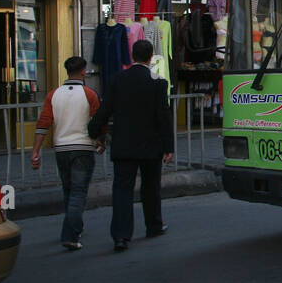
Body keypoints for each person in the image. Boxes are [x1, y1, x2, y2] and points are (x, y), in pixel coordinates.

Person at [88, 39, 174, 252]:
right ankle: (153, 225)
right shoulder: (158, 82)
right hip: (151, 146)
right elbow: (164, 117)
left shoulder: (118, 79)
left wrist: (95, 131)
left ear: (133, 56)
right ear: (150, 57)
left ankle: (121, 236)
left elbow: (105, 108)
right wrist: (168, 146)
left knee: (122, 190)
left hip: (124, 144)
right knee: (151, 187)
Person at [30, 56, 100, 250]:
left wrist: (35, 151)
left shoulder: (54, 95)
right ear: (83, 72)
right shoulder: (89, 94)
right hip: (83, 148)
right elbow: (97, 122)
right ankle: (70, 234)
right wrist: (100, 142)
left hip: (61, 148)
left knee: (68, 191)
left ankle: (74, 226)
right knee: (78, 192)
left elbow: (43, 124)